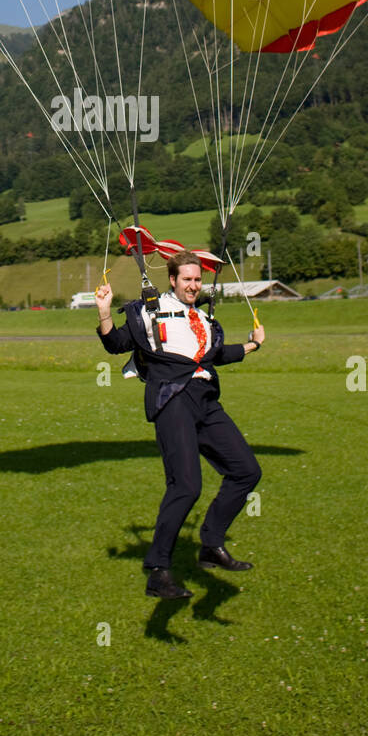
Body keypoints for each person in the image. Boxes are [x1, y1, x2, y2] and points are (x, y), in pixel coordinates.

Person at [95, 250, 264, 599]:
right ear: (172, 280)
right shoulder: (150, 311)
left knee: (247, 470)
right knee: (187, 486)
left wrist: (252, 345)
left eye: (197, 279)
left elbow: (215, 355)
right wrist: (104, 312)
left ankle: (211, 544)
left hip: (206, 401)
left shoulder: (203, 318)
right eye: (187, 279)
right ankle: (159, 571)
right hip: (173, 400)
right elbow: (116, 344)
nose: (193, 285)